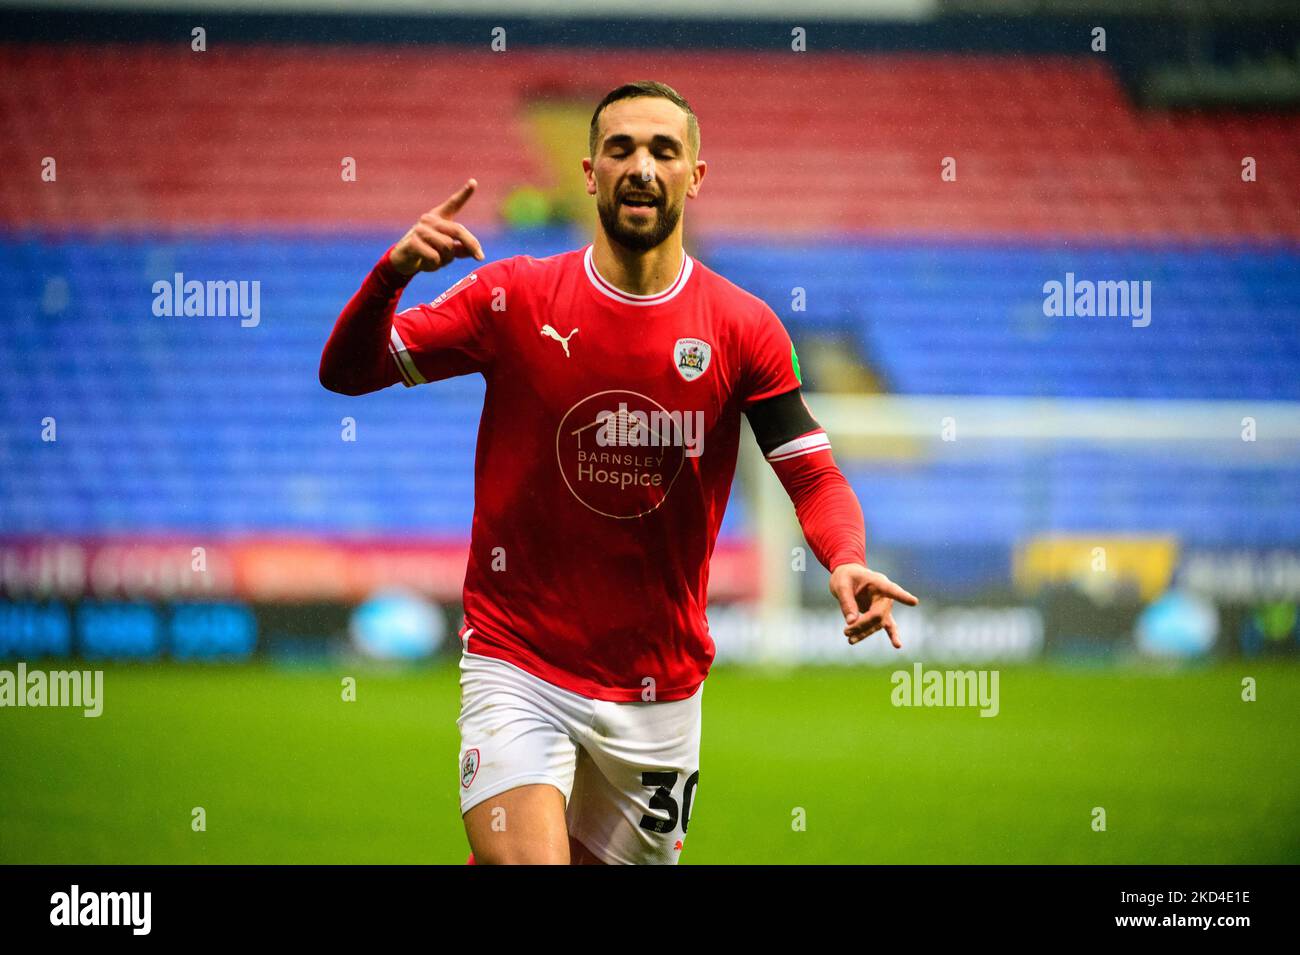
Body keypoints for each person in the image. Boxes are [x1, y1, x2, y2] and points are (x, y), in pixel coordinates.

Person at [319, 80, 918, 864]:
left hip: (659, 691)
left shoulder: (745, 327)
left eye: (664, 150)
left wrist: (845, 557)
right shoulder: (513, 297)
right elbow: (348, 371)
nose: (642, 166)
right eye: (621, 149)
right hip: (519, 661)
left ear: (695, 176)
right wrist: (392, 273)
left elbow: (811, 471)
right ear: (590, 172)